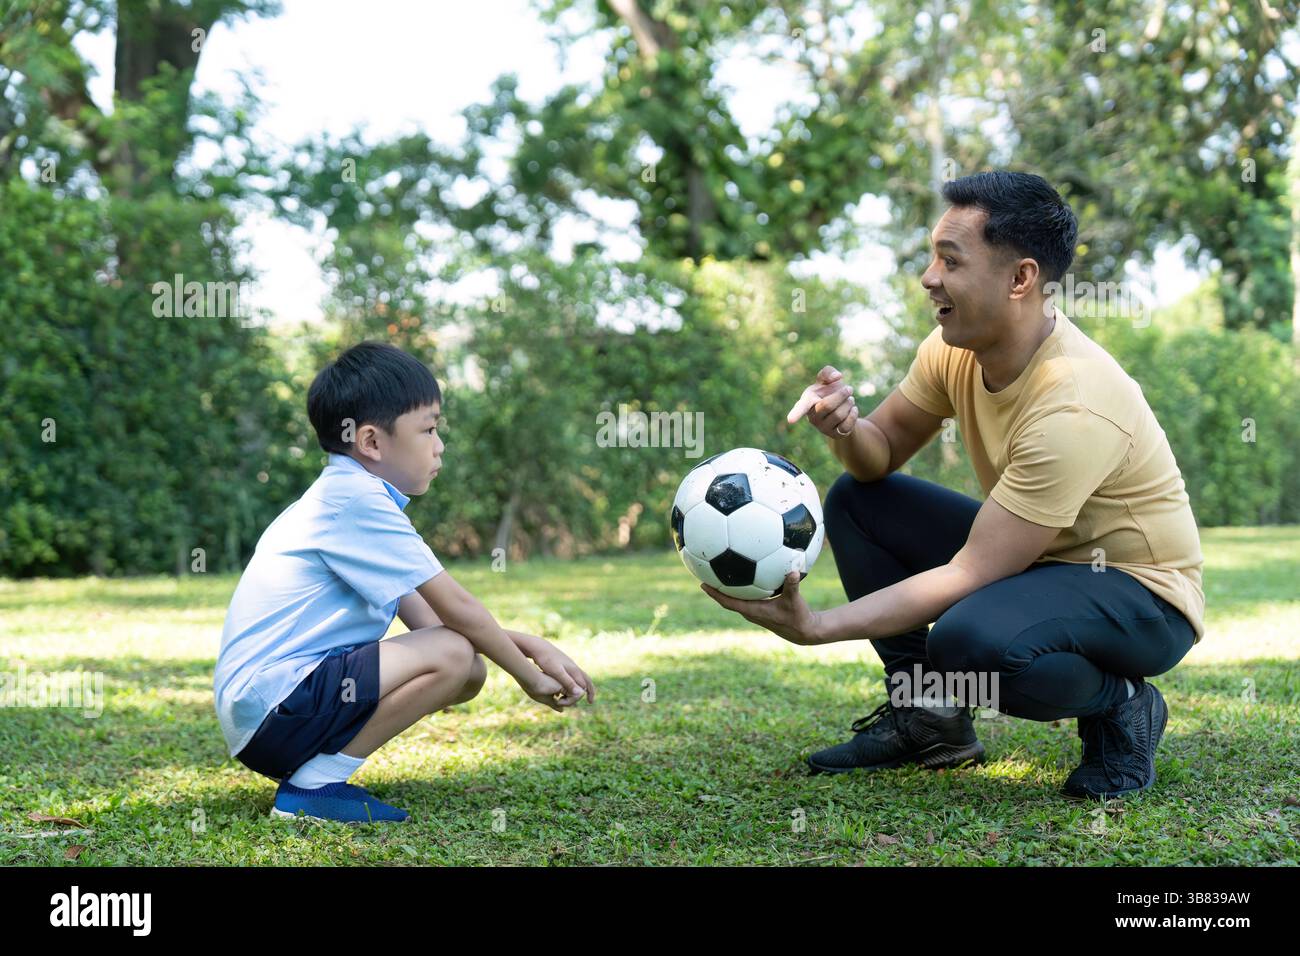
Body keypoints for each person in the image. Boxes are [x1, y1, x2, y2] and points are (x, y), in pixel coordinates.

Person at [702, 171, 1203, 800]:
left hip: (1142, 598)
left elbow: (968, 575)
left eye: (950, 260)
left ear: (1020, 279)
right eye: (932, 255)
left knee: (970, 642)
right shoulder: (954, 348)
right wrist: (846, 427)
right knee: (860, 504)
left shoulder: (1075, 404)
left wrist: (819, 625)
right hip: (1042, 563)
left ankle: (1123, 705)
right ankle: (929, 717)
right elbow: (875, 458)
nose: (928, 277)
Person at [214, 341, 595, 823]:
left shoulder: (354, 499)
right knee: (455, 655)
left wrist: (530, 644)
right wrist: (528, 675)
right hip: (277, 707)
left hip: (271, 718)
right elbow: (457, 611)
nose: (439, 445)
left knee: (466, 667)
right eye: (429, 429)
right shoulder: (354, 501)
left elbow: (433, 624)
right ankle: (313, 789)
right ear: (371, 442)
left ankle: (316, 773)